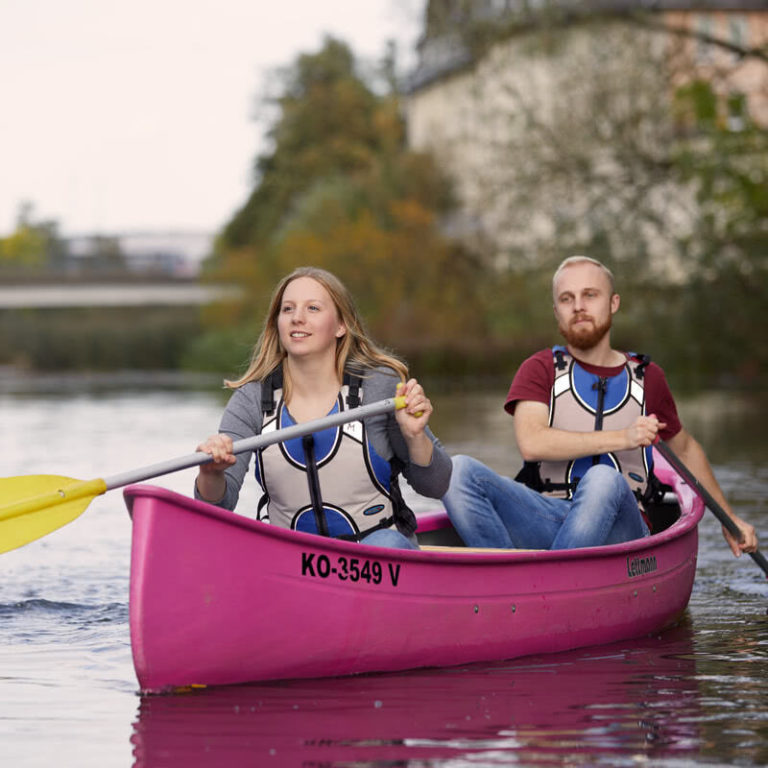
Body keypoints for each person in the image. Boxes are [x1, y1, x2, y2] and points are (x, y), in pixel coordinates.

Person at [442, 255, 759, 555]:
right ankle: (508, 579)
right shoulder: (539, 369)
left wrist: (729, 520)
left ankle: (547, 583)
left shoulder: (649, 378)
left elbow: (685, 449)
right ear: (556, 311)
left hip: (622, 530)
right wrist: (624, 437)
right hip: (548, 517)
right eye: (567, 299)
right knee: (457, 470)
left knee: (604, 479)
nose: (578, 306)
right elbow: (532, 442)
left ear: (613, 303)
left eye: (590, 295)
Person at [195, 266, 451, 549]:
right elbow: (217, 509)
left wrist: (416, 437)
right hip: (292, 562)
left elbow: (436, 486)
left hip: (381, 556)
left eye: (313, 308)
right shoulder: (252, 399)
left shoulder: (380, 388)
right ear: (277, 323)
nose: (297, 318)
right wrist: (211, 473)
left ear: (341, 325)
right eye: (287, 309)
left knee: (386, 543)